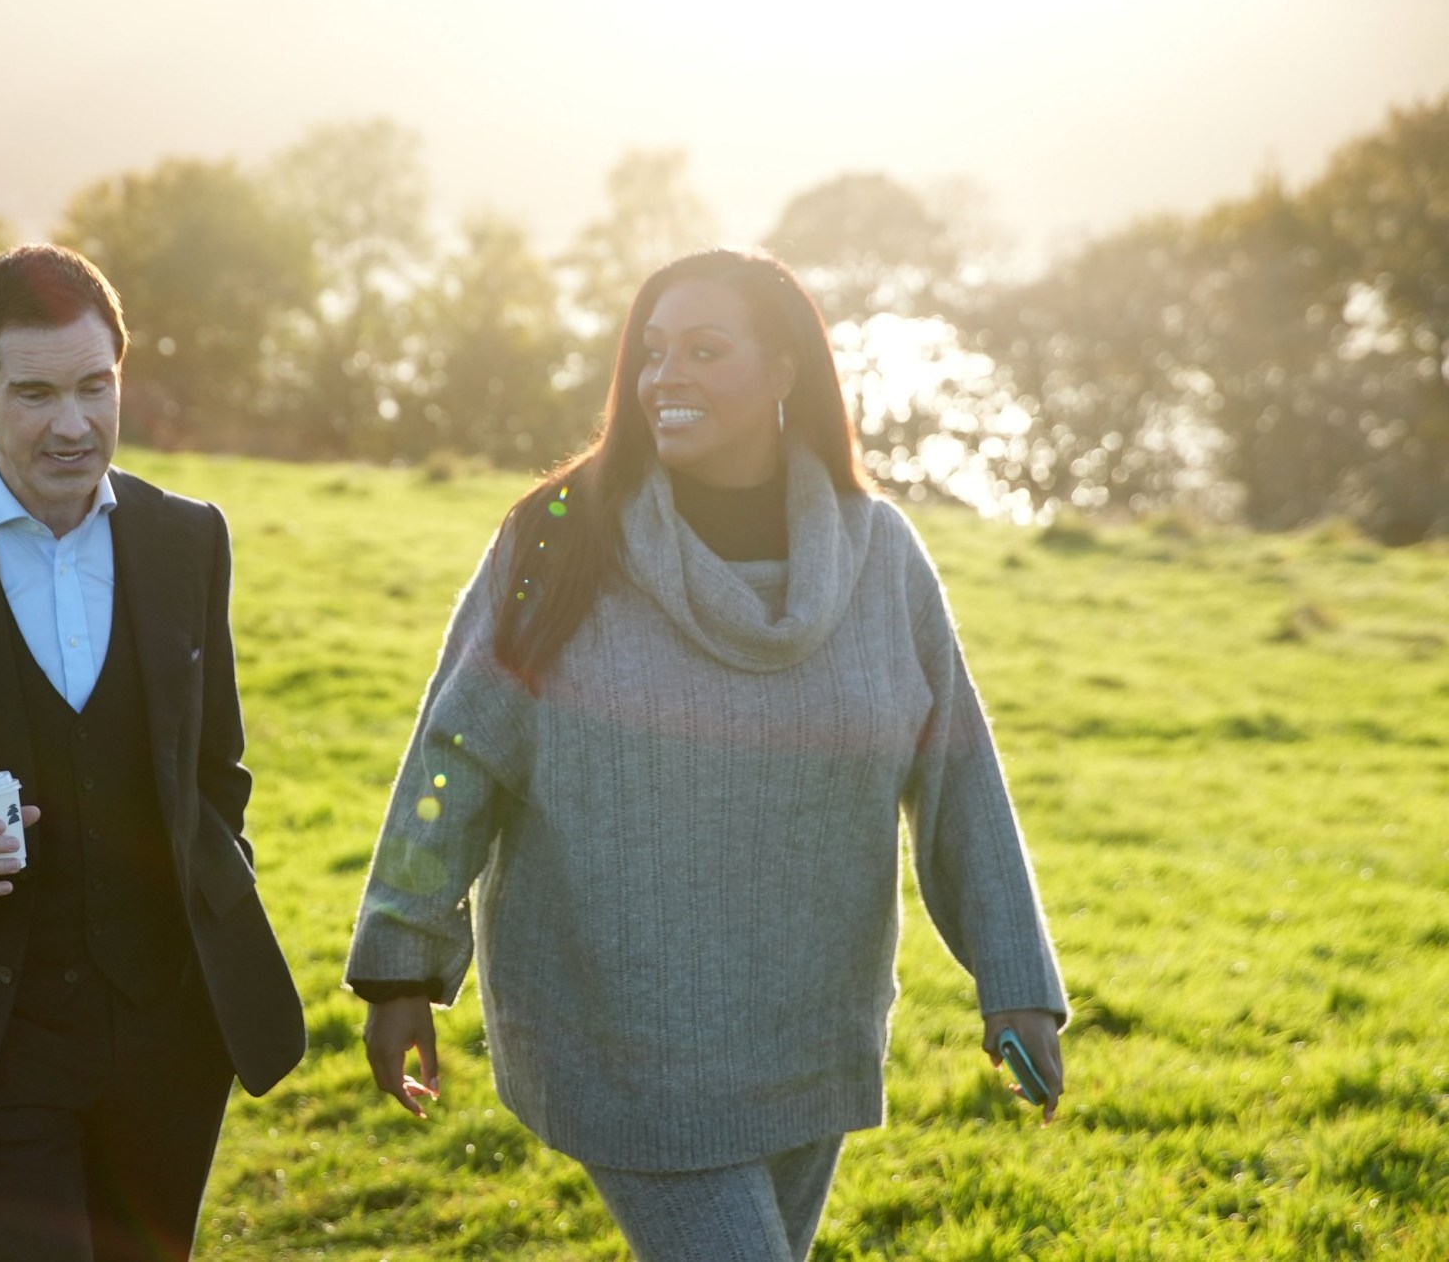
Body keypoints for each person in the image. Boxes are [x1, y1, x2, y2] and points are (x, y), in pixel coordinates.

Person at [346, 247, 1068, 1260]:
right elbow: (453, 757)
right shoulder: (560, 536)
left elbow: (961, 782)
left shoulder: (880, 556)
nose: (664, 377)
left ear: (784, 370)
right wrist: (400, 967)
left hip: (809, 1040)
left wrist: (1016, 982)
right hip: (623, 1045)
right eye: (652, 352)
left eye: (704, 350)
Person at [0, 243, 304, 1262]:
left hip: (171, 1034)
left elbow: (218, 765)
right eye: (35, 394)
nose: (73, 425)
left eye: (94, 387)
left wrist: (208, 888)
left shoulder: (189, 539)